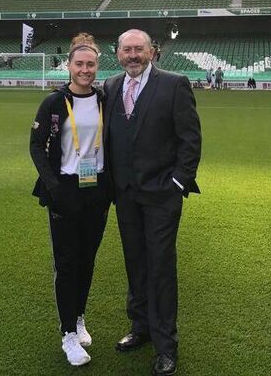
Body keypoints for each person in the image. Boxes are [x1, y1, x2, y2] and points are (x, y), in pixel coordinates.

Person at [103, 29, 201, 376]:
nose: (133, 55)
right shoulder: (111, 86)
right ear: (117, 54)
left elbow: (190, 139)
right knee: (136, 263)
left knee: (160, 267)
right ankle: (140, 328)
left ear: (152, 52)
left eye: (139, 49)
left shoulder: (175, 84)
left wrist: (177, 183)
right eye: (126, 49)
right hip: (126, 196)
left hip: (161, 196)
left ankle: (165, 345)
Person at [29, 33, 110, 367]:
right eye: (80, 64)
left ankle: (78, 317)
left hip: (98, 191)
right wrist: (53, 187)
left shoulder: (105, 99)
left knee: (88, 259)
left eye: (91, 64)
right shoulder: (53, 102)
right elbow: (36, 146)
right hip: (66, 190)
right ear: (69, 65)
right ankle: (67, 334)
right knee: (67, 262)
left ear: (96, 66)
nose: (85, 69)